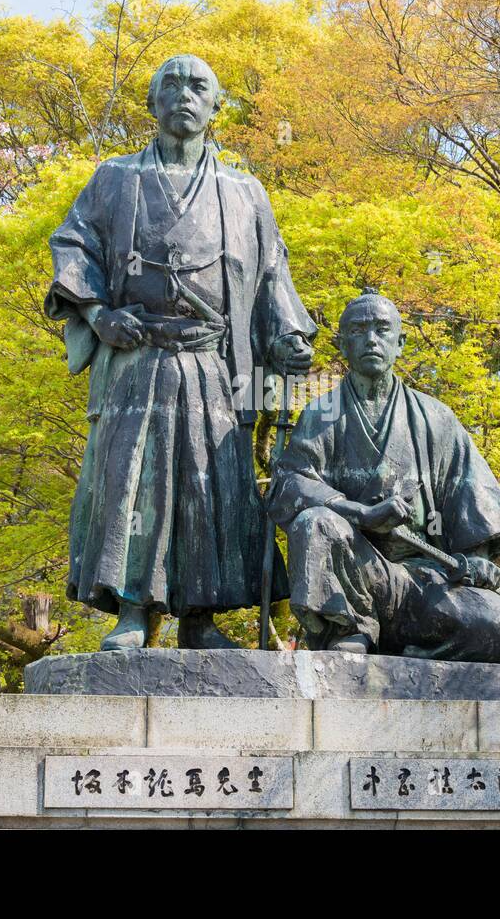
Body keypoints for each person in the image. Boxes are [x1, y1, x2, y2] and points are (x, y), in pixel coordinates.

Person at [44, 54, 315, 650]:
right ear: (152, 101)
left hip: (216, 364)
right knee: (132, 481)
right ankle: (134, 615)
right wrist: (97, 313)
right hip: (138, 358)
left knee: (211, 483)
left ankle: (203, 620)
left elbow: (271, 274)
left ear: (216, 107)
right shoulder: (114, 178)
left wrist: (289, 337)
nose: (184, 96)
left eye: (199, 87)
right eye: (171, 85)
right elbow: (72, 242)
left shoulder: (243, 191)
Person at [267, 292, 500, 662]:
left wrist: (477, 559)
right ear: (342, 345)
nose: (371, 339)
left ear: (400, 342)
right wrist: (359, 513)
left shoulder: (437, 419)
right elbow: (289, 484)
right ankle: (349, 628)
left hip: (424, 581)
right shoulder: (321, 415)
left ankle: (408, 657)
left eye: (382, 329)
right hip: (355, 567)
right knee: (315, 521)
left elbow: (472, 501)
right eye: (358, 330)